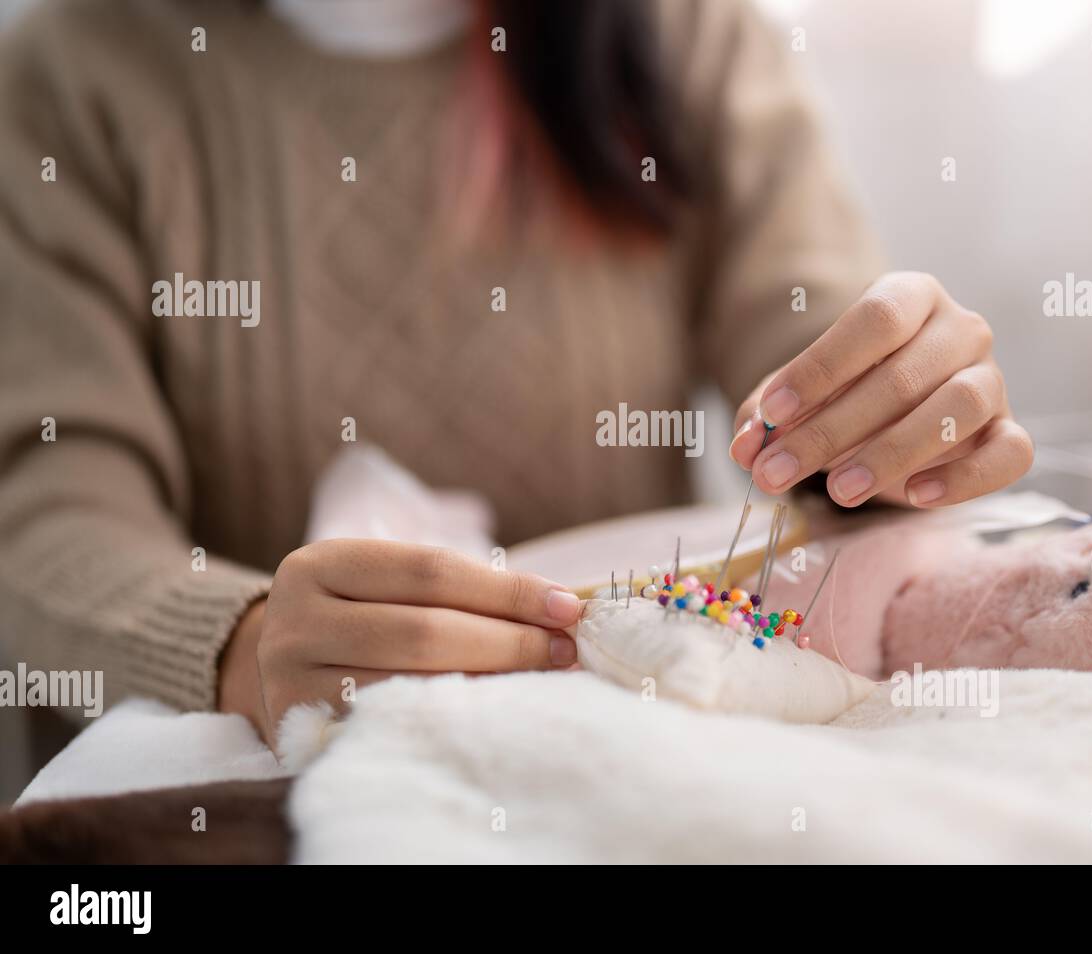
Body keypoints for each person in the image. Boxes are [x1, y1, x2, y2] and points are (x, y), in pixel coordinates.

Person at [0, 0, 1031, 743]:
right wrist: (242, 642)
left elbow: (810, 352)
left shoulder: (683, 31)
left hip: (642, 758)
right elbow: (45, 508)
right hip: (286, 789)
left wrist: (891, 417)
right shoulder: (70, 77)